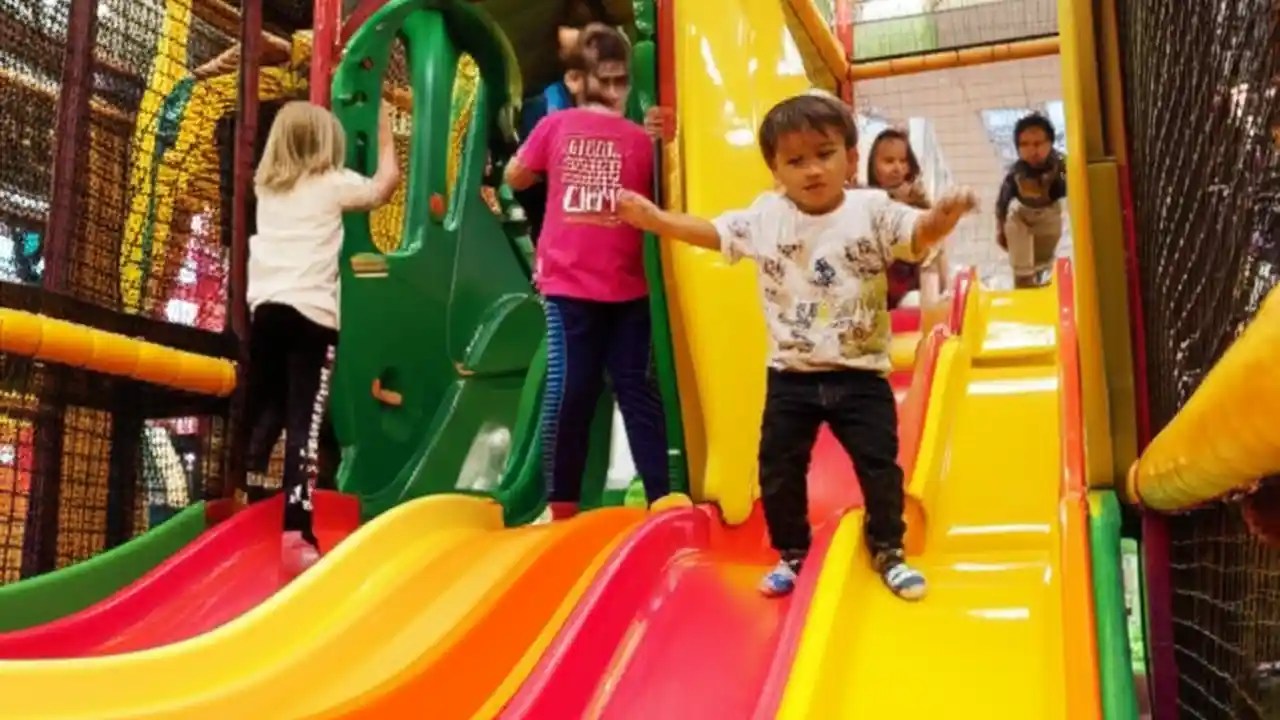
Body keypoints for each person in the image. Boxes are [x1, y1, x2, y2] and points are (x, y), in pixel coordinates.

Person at [615, 93, 978, 600]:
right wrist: (658, 221)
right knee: (779, 469)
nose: (811, 169)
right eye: (795, 160)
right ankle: (790, 552)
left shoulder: (872, 208)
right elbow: (714, 233)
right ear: (775, 169)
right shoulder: (767, 216)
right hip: (791, 376)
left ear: (851, 159)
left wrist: (945, 214)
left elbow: (917, 233)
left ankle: (889, 549)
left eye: (824, 153)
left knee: (879, 464)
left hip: (860, 373)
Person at [504, 24, 675, 517]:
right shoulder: (642, 140)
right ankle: (663, 499)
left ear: (578, 80)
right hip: (623, 285)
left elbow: (517, 176)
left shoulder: (556, 126)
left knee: (572, 389)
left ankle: (563, 504)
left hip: (574, 281)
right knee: (635, 390)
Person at [245, 100, 400, 571]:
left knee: (268, 405)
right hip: (310, 316)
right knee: (304, 424)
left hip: (266, 309)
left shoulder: (265, 188)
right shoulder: (332, 184)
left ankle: (245, 487)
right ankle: (297, 533)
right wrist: (385, 131)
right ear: (324, 144)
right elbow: (383, 188)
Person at [865, 127, 949, 309]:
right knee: (915, 302)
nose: (897, 168)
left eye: (903, 161)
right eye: (889, 161)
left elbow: (935, 250)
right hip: (890, 296)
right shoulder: (869, 202)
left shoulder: (918, 200)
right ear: (874, 166)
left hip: (921, 283)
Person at [995, 113, 1067, 288]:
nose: (1031, 150)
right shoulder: (1016, 173)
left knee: (1045, 260)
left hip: (1051, 219)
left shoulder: (1061, 166)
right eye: (1024, 145)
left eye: (1037, 144)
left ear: (1049, 143)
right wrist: (1000, 229)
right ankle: (1023, 278)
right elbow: (1002, 202)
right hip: (1024, 218)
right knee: (1013, 216)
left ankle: (1047, 273)